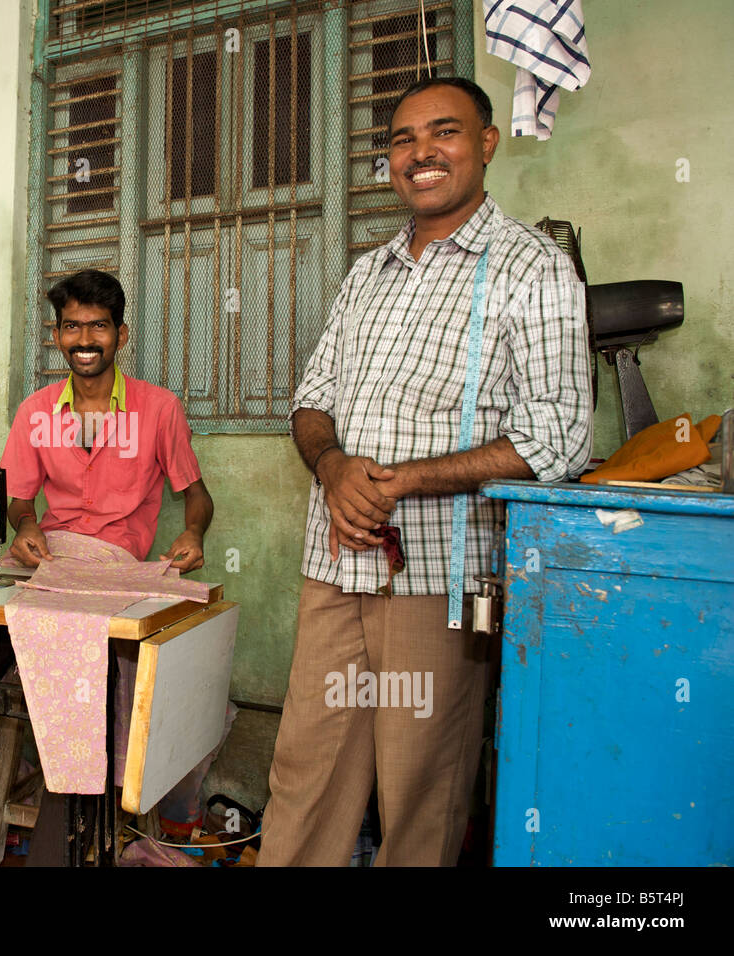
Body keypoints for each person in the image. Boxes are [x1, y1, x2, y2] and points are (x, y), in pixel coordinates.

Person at [260, 77, 592, 866]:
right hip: (336, 565)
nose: (421, 153)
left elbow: (559, 438)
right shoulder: (367, 275)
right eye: (404, 140)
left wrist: (400, 482)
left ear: (485, 143)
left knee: (421, 788)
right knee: (308, 770)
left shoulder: (532, 270)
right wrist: (334, 464)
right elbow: (311, 402)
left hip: (441, 582)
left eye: (443, 132)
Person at [0, 269, 214, 866]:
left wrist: (192, 531)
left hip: (108, 574)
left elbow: (196, 493)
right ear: (56, 336)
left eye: (97, 326)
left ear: (120, 334)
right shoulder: (36, 411)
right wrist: (27, 526)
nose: (84, 338)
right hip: (40, 569)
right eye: (71, 327)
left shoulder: (159, 409)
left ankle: (54, 858)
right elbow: (18, 502)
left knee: (81, 702)